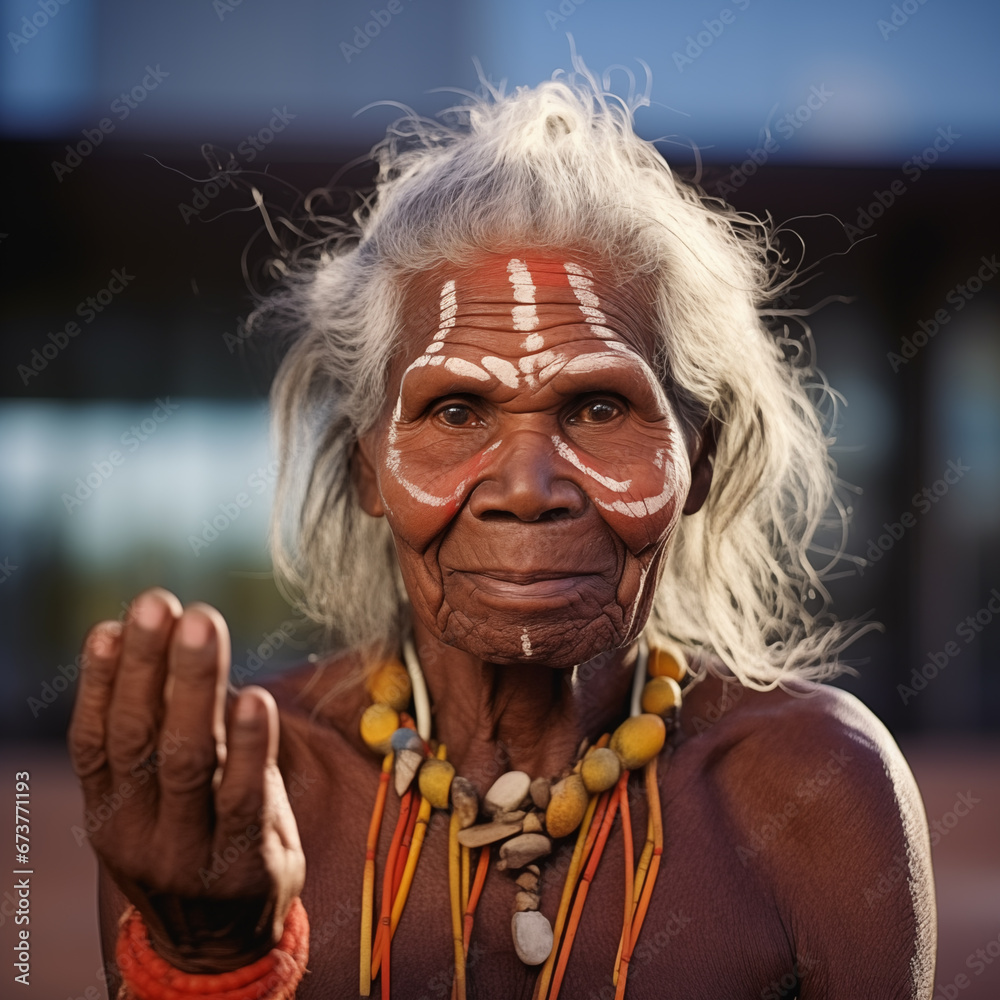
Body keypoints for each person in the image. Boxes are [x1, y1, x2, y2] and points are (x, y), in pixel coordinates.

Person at [69, 70, 936, 999]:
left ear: (702, 459)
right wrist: (212, 963)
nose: (527, 490)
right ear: (369, 466)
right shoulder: (242, 797)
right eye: (455, 411)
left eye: (600, 406)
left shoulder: (816, 792)